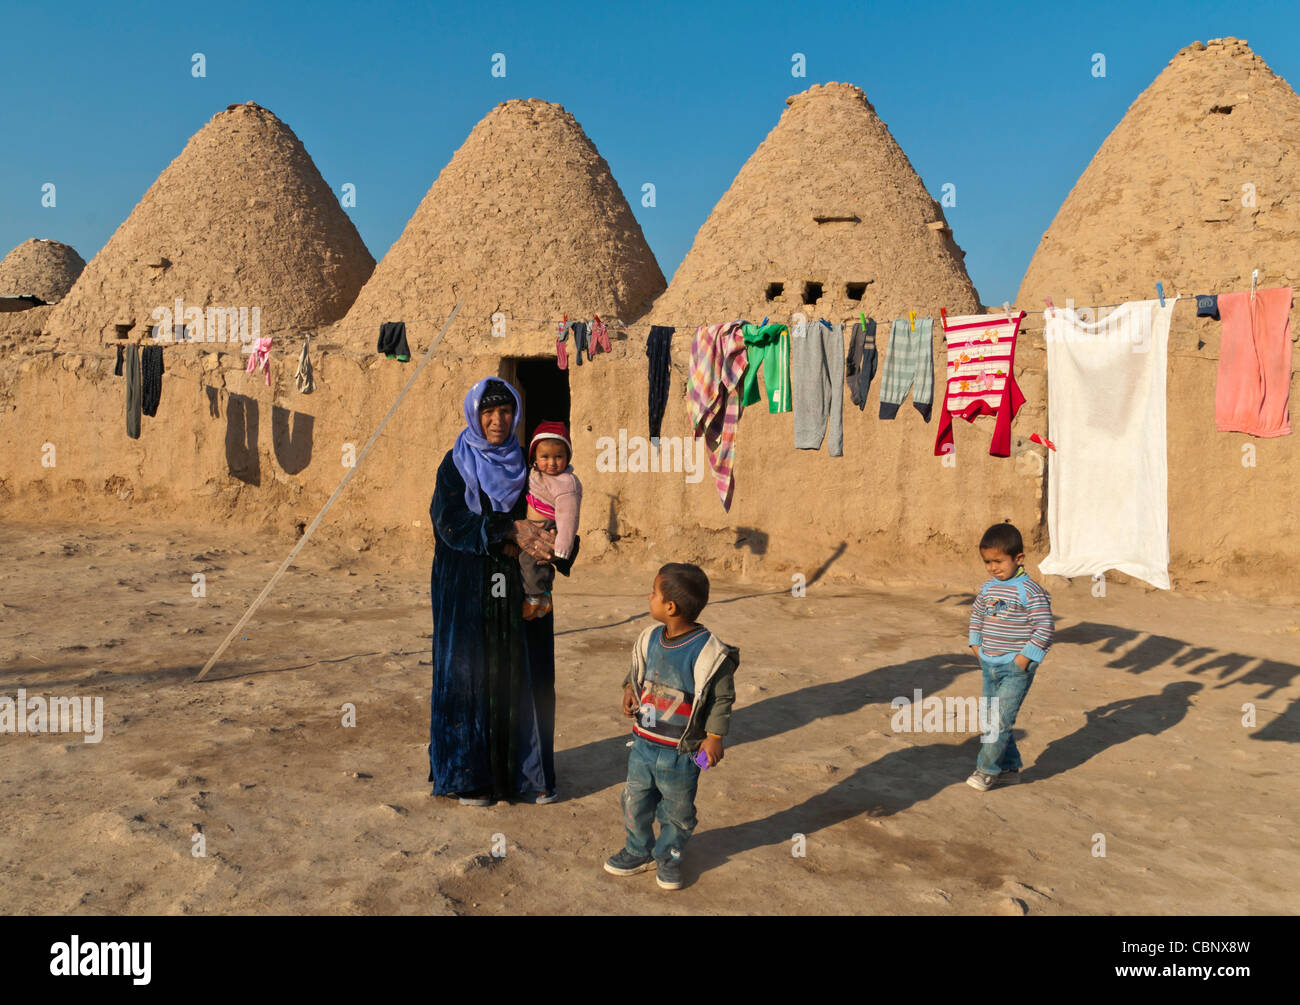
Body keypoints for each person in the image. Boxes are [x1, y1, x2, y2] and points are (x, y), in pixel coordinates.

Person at [428, 377, 561, 805]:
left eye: (505, 411)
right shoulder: (454, 464)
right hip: (466, 584)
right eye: (488, 411)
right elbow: (449, 523)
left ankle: (527, 777)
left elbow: (554, 510)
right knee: (470, 675)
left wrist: (555, 542)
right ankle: (470, 776)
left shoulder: (531, 464)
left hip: (517, 585)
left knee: (521, 676)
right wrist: (506, 528)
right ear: (474, 414)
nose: (497, 420)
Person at [604, 564, 738, 890]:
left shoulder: (707, 652)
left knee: (677, 813)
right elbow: (637, 670)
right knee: (634, 801)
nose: (648, 597)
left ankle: (668, 857)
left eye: (654, 593)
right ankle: (638, 851)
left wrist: (714, 737)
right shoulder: (650, 638)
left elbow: (722, 698)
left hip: (682, 753)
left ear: (670, 607)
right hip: (643, 745)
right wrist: (628, 691)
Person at [967, 522, 1054, 791]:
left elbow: (1045, 627)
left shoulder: (1030, 591)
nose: (993, 567)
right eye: (987, 562)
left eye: (999, 561)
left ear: (1018, 559)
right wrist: (975, 645)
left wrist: (1023, 659)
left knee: (999, 721)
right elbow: (977, 617)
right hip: (988, 664)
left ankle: (986, 770)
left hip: (1015, 668)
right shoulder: (988, 588)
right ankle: (1009, 768)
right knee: (992, 718)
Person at [520, 421, 582, 621]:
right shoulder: (536, 473)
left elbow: (568, 517)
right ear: (535, 458)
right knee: (534, 562)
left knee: (533, 560)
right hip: (533, 524)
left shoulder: (565, 483)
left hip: (548, 526)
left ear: (567, 457)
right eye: (544, 457)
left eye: (559, 457)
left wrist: (563, 547)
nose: (552, 463)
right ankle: (540, 596)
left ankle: (537, 597)